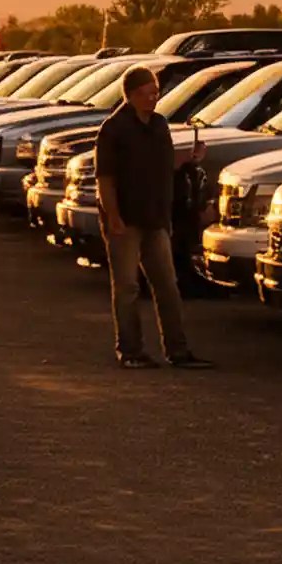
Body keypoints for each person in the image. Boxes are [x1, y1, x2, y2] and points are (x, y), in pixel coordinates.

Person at [95, 66, 213, 370]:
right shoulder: (114, 129)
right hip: (125, 219)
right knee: (127, 287)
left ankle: (178, 350)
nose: (153, 99)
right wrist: (113, 216)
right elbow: (105, 178)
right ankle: (131, 350)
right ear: (131, 95)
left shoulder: (159, 125)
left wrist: (191, 158)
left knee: (167, 285)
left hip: (155, 218)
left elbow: (165, 165)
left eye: (155, 93)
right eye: (147, 94)